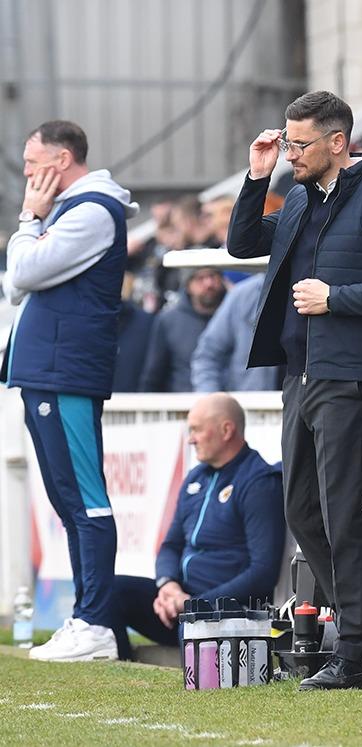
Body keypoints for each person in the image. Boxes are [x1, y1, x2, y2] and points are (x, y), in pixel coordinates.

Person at [226, 90, 362, 690]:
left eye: (298, 144)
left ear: (337, 142)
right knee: (302, 509)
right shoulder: (295, 196)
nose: (290, 152)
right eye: (286, 142)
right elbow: (242, 243)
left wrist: (334, 299)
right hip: (300, 374)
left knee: (342, 513)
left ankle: (358, 648)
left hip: (353, 377)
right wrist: (256, 175)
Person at [0, 120, 139, 660]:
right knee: (69, 500)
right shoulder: (73, 209)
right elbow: (20, 278)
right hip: (49, 372)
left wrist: (27, 220)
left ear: (60, 161)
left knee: (85, 501)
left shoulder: (90, 211)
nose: (30, 176)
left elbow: (23, 273)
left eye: (34, 165)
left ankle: (97, 624)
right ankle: (89, 619)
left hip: (67, 373)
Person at [110, 393, 285, 660]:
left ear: (227, 430)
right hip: (181, 606)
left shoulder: (259, 482)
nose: (190, 439)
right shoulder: (196, 476)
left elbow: (263, 572)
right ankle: (119, 674)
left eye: (196, 430)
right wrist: (168, 586)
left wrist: (197, 605)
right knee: (109, 591)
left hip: (225, 611)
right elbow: (170, 545)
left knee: (194, 627)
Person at [139, 266, 226, 392]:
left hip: (230, 402)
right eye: (200, 278)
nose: (209, 283)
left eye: (213, 276)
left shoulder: (235, 314)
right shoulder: (169, 320)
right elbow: (153, 375)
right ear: (188, 285)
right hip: (182, 404)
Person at [191, 273, 281, 392]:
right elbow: (207, 355)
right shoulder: (243, 295)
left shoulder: (312, 295)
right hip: (252, 406)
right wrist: (213, 402)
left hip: (304, 404)